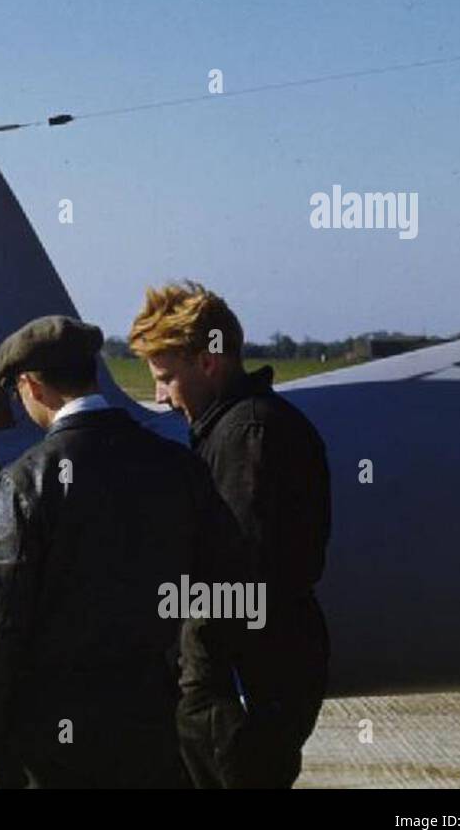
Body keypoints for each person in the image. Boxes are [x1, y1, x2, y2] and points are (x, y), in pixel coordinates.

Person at [0, 315, 243, 789]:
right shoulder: (176, 465)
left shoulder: (22, 484)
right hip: (152, 711)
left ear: (30, 385)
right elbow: (220, 583)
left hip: (56, 728)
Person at [129, 281, 331, 788]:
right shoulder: (239, 428)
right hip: (247, 667)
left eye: (166, 377)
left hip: (241, 674)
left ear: (208, 362)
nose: (159, 396)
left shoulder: (247, 436)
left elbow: (241, 572)